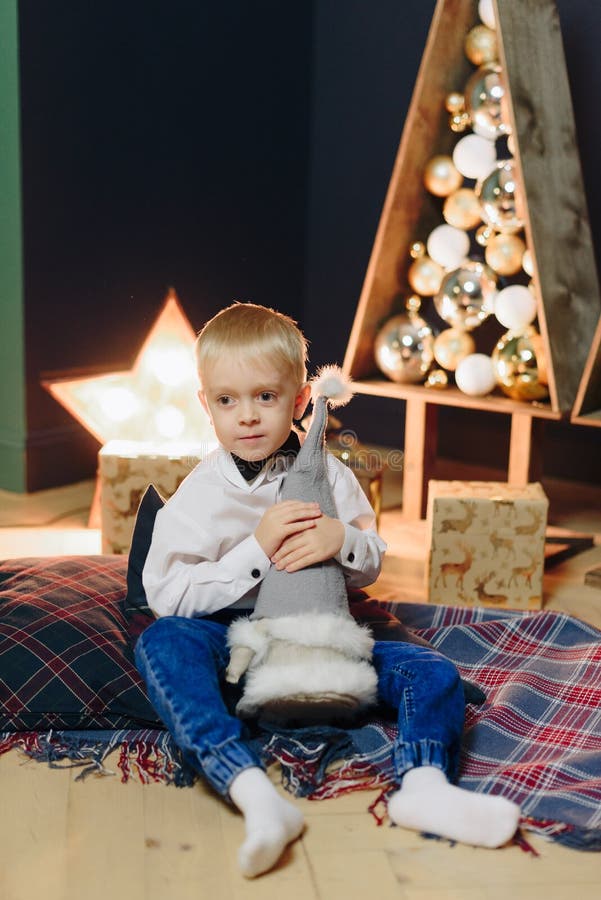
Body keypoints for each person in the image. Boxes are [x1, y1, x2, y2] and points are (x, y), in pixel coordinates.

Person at [135, 302, 520, 879]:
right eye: (226, 400)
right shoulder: (201, 492)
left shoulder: (330, 474)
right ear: (205, 405)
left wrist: (341, 538)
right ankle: (249, 790)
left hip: (324, 634)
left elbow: (370, 564)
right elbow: (166, 594)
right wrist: (255, 550)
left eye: (265, 397)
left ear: (297, 402)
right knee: (163, 643)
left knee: (432, 670)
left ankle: (422, 783)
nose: (246, 417)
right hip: (234, 642)